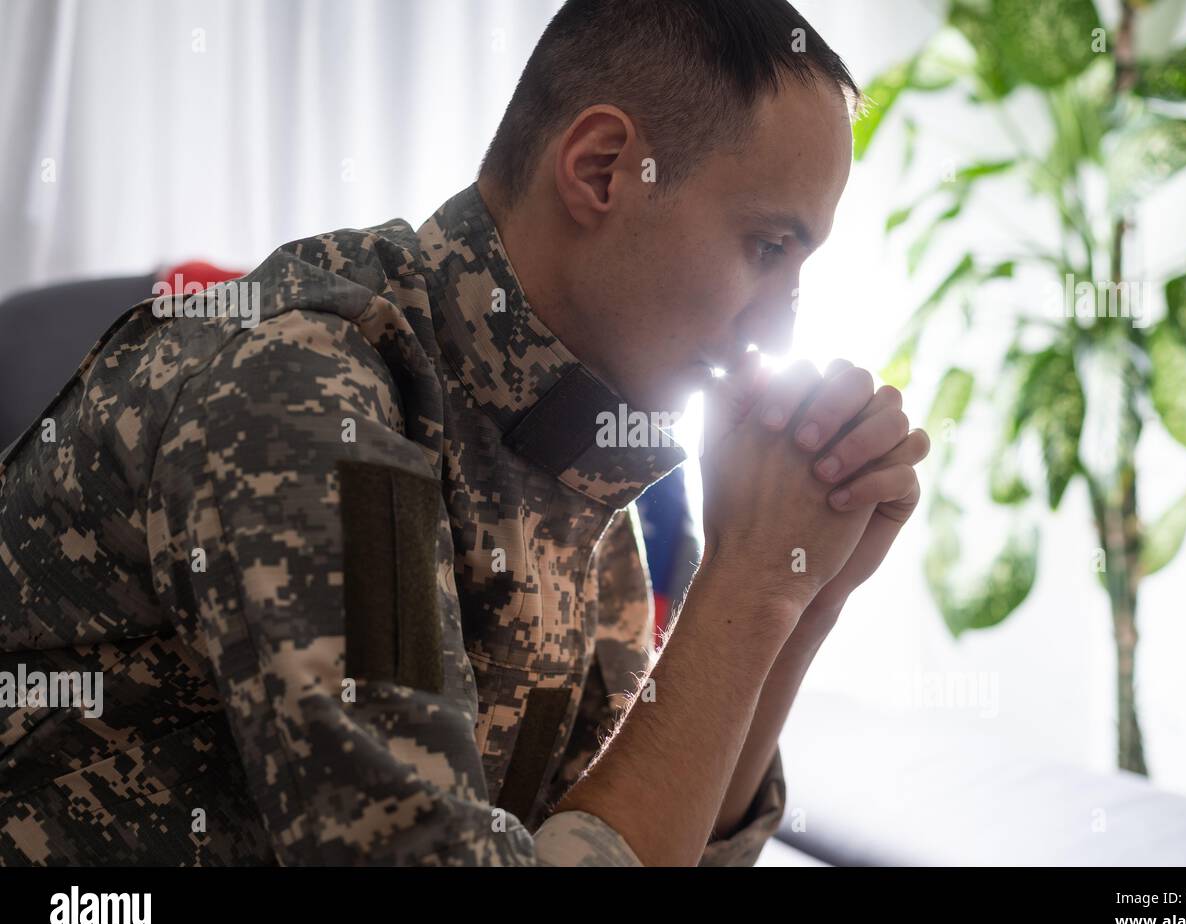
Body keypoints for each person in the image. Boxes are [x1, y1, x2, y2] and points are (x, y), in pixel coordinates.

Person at [0, 0, 928, 866]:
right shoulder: (308, 388)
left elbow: (628, 829)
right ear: (602, 169)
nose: (784, 326)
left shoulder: (575, 452)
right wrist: (749, 585)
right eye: (768, 248)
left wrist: (806, 593)